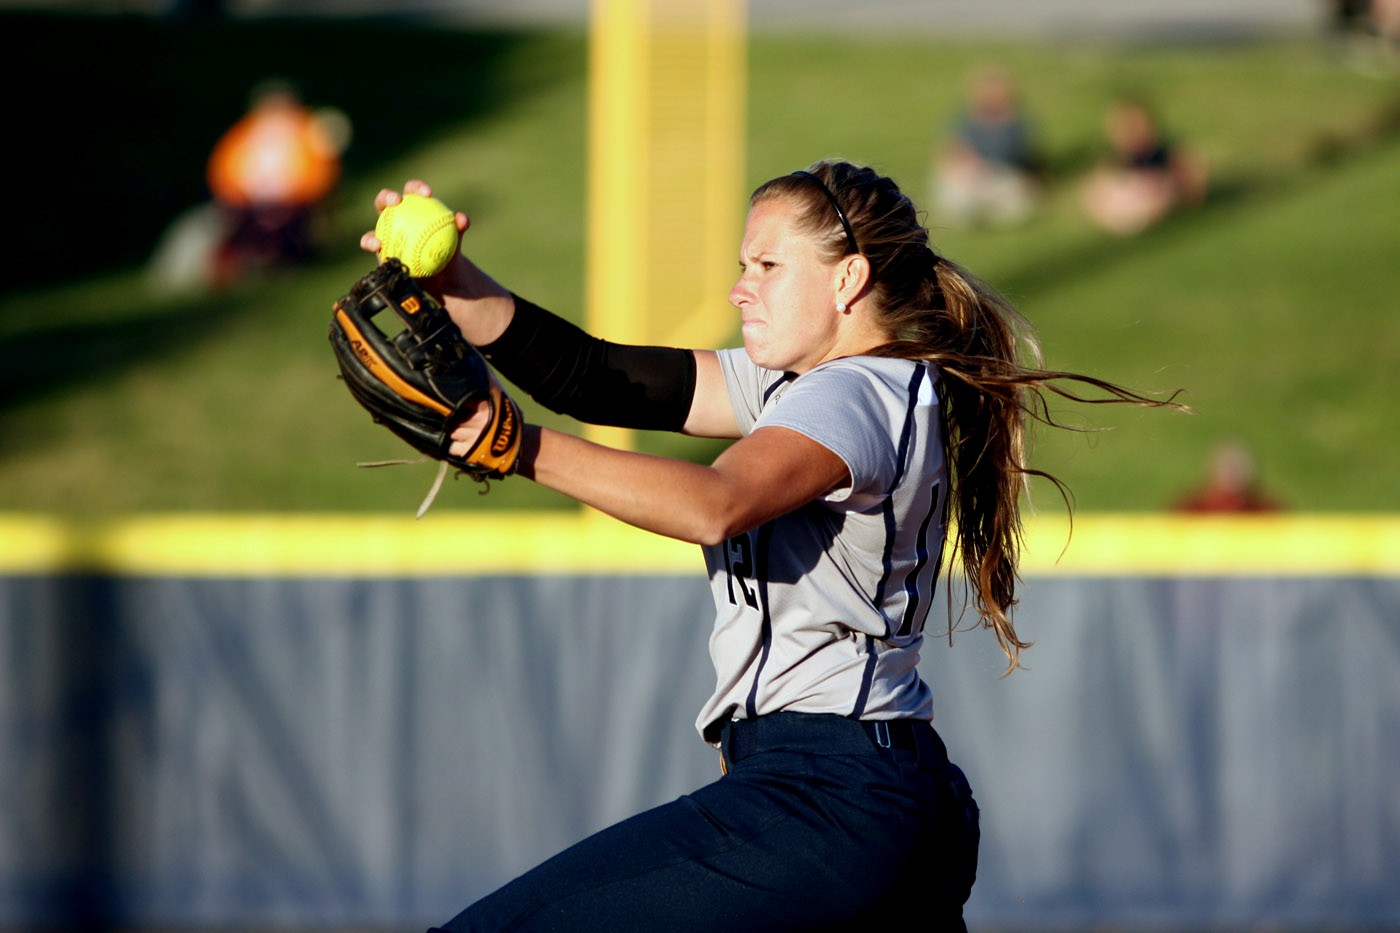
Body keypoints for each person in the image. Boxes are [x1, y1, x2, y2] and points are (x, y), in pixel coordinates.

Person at [363, 161, 1174, 932]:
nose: (738, 286)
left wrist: (515, 445)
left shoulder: (858, 391)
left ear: (848, 281)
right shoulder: (811, 382)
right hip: (870, 789)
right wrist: (455, 287)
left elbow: (715, 504)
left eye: (767, 265)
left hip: (824, 796)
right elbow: (594, 376)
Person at [206, 79, 349, 286]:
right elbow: (225, 174)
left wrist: (298, 195)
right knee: (242, 228)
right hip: (249, 205)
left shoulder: (307, 130)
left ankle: (281, 258)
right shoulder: (244, 137)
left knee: (284, 228)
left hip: (294, 203)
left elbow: (322, 173)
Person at [931, 64, 1043, 228]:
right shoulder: (964, 121)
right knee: (957, 195)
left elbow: (1024, 159)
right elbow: (948, 153)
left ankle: (993, 213)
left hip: (1002, 176)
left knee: (1018, 199)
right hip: (971, 176)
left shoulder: (1017, 125)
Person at [1080, 95, 1208, 236]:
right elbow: (1099, 207)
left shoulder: (1171, 158)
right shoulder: (1111, 171)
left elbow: (1196, 187)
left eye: (1138, 126)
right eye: (1127, 128)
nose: (1134, 133)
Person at [1173, 440, 1283, 513]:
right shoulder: (1193, 506)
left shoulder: (1264, 509)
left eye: (1239, 466)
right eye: (1227, 466)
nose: (1233, 473)